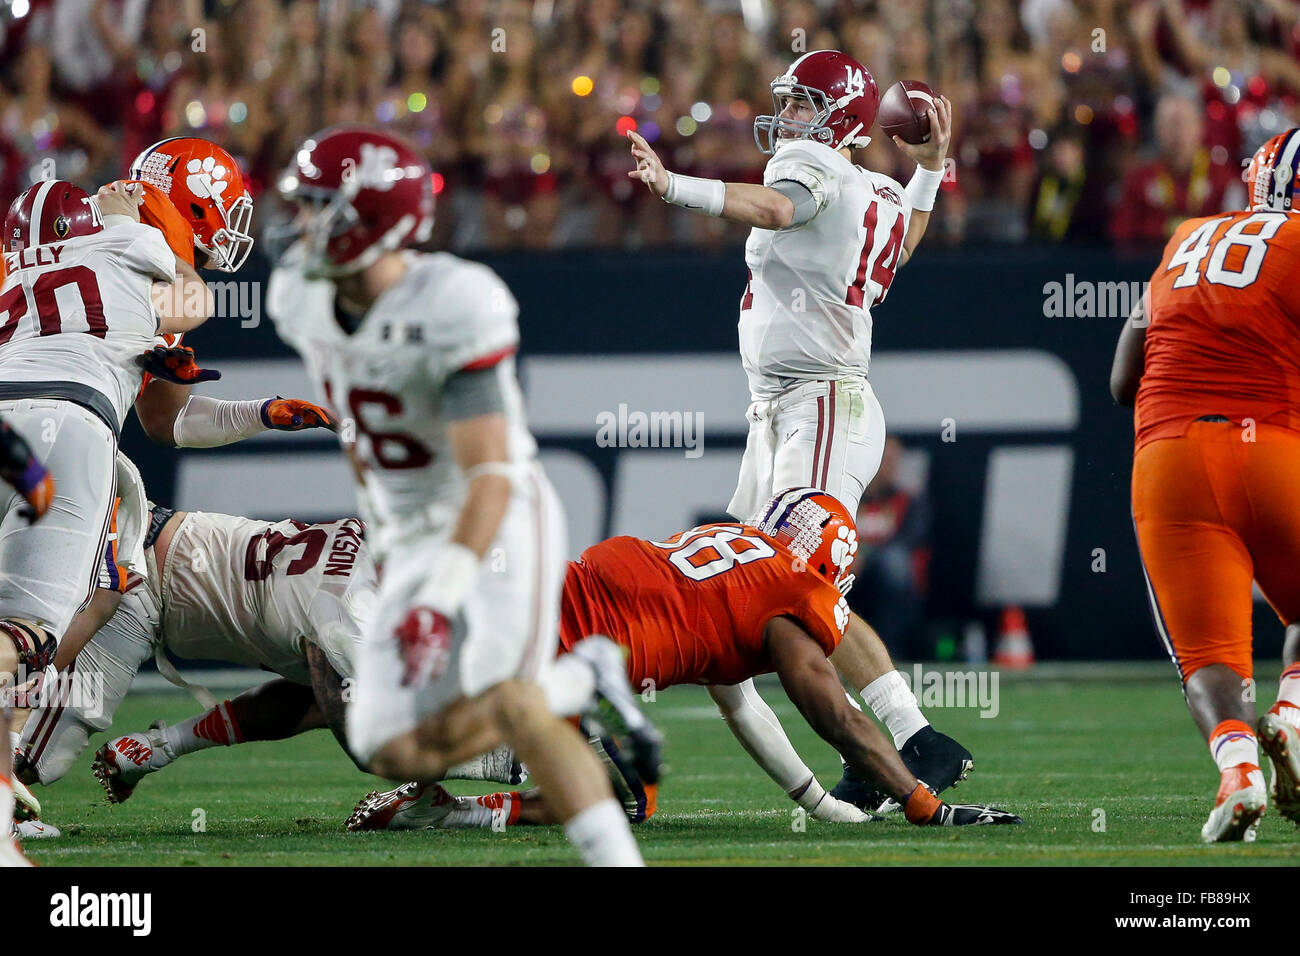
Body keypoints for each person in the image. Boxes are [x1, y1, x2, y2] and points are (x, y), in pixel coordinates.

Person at [267, 126, 660, 866]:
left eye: (322, 208)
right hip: (410, 529)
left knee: (511, 697)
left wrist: (441, 593)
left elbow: (490, 473)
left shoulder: (453, 302)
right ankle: (580, 676)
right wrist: (392, 537)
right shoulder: (299, 295)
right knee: (389, 746)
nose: (303, 224)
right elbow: (358, 426)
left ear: (374, 221)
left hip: (497, 517)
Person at [625, 48, 971, 810]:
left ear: (839, 118)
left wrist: (674, 186)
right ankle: (907, 743)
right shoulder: (874, 187)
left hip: (819, 405)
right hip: (788, 411)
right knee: (754, 594)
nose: (787, 116)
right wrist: (928, 172)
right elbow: (904, 241)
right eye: (787, 100)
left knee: (793, 589)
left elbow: (776, 210)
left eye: (803, 103)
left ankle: (908, 742)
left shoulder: (813, 169)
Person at [348, 488, 1021, 833]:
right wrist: (922, 803)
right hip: (561, 655)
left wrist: (819, 803)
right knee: (621, 796)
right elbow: (836, 717)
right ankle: (452, 786)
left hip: (537, 596)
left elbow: (741, 706)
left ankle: (415, 740)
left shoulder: (729, 549)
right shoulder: (794, 589)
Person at [1110, 128, 1300, 841]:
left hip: (1170, 462)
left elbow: (1121, 380)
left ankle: (1240, 773)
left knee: (1210, 657)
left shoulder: (1187, 236)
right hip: (1272, 451)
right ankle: (1292, 717)